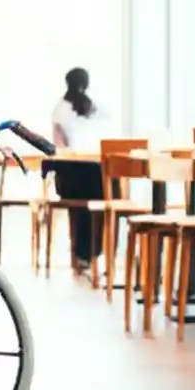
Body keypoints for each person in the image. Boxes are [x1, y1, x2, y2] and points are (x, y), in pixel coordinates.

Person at [50, 67, 109, 272]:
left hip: (69, 177)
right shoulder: (97, 110)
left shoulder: (59, 110)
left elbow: (59, 148)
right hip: (95, 173)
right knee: (101, 196)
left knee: (83, 203)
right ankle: (94, 252)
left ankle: (81, 253)